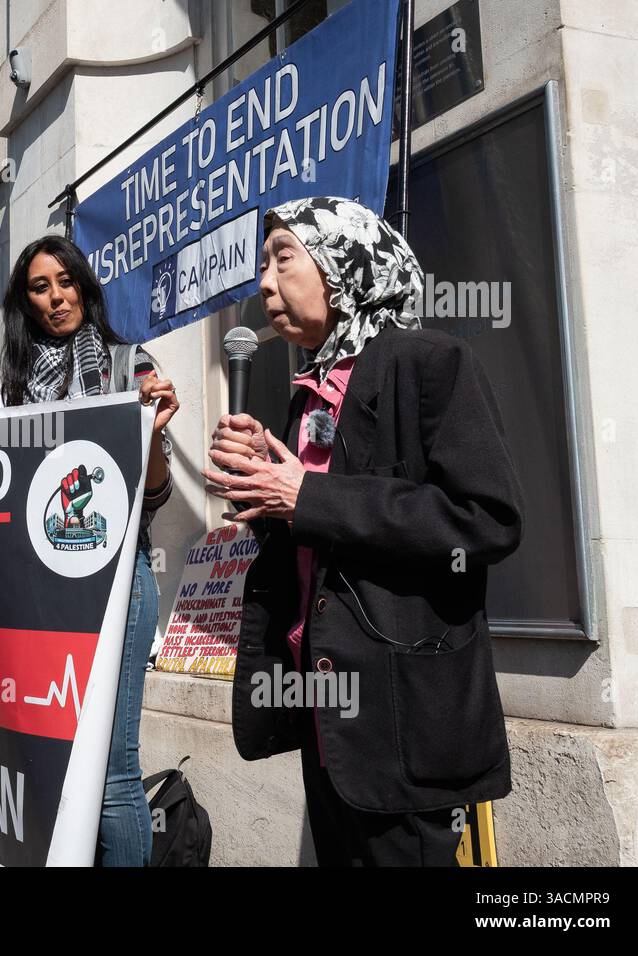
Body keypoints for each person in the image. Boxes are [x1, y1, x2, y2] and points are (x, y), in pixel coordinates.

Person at [202, 196, 524, 867]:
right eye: (263, 264)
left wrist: (307, 495)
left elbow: (485, 523)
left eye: (283, 257)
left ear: (343, 263)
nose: (264, 281)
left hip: (404, 721)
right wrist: (266, 494)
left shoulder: (430, 362)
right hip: (328, 716)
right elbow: (318, 535)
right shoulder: (309, 395)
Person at [0, 234, 179, 867]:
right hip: (40, 592)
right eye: (39, 288)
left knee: (110, 767)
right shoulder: (12, 391)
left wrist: (153, 434)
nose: (55, 299)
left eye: (66, 282)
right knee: (48, 755)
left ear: (85, 284)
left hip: (119, 584)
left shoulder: (131, 366)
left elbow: (153, 496)